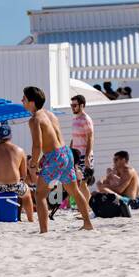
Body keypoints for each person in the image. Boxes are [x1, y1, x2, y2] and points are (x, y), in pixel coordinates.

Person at [23, 85, 93, 233]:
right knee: (74, 190)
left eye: (24, 98)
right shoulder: (50, 114)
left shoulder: (35, 119)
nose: (22, 100)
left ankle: (44, 231)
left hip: (54, 157)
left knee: (40, 194)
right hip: (66, 153)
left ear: (32, 101)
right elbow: (53, 139)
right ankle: (88, 223)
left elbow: (37, 145)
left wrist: (33, 163)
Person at [0, 123, 35, 222]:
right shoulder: (20, 150)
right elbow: (23, 175)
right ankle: (30, 219)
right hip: (15, 186)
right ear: (10, 135)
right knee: (27, 194)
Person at [69, 94, 94, 201]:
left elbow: (90, 138)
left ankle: (87, 209)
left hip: (84, 155)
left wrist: (88, 156)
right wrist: (69, 151)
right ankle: (84, 208)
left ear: (82, 105)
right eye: (71, 105)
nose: (73, 107)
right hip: (76, 155)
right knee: (79, 183)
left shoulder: (86, 119)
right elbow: (74, 138)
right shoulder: (76, 119)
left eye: (75, 105)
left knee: (83, 183)